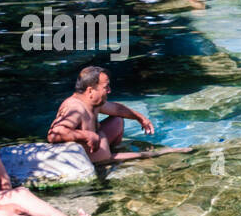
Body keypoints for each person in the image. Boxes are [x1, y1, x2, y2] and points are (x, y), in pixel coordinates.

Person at [47, 66, 187, 164]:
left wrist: (140, 117)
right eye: (105, 87)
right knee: (154, 154)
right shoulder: (75, 107)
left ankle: (114, 150)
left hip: (100, 149)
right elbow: (54, 134)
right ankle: (166, 152)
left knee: (117, 120)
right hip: (93, 160)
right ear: (90, 90)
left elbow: (117, 109)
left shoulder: (93, 102)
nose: (109, 90)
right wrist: (86, 135)